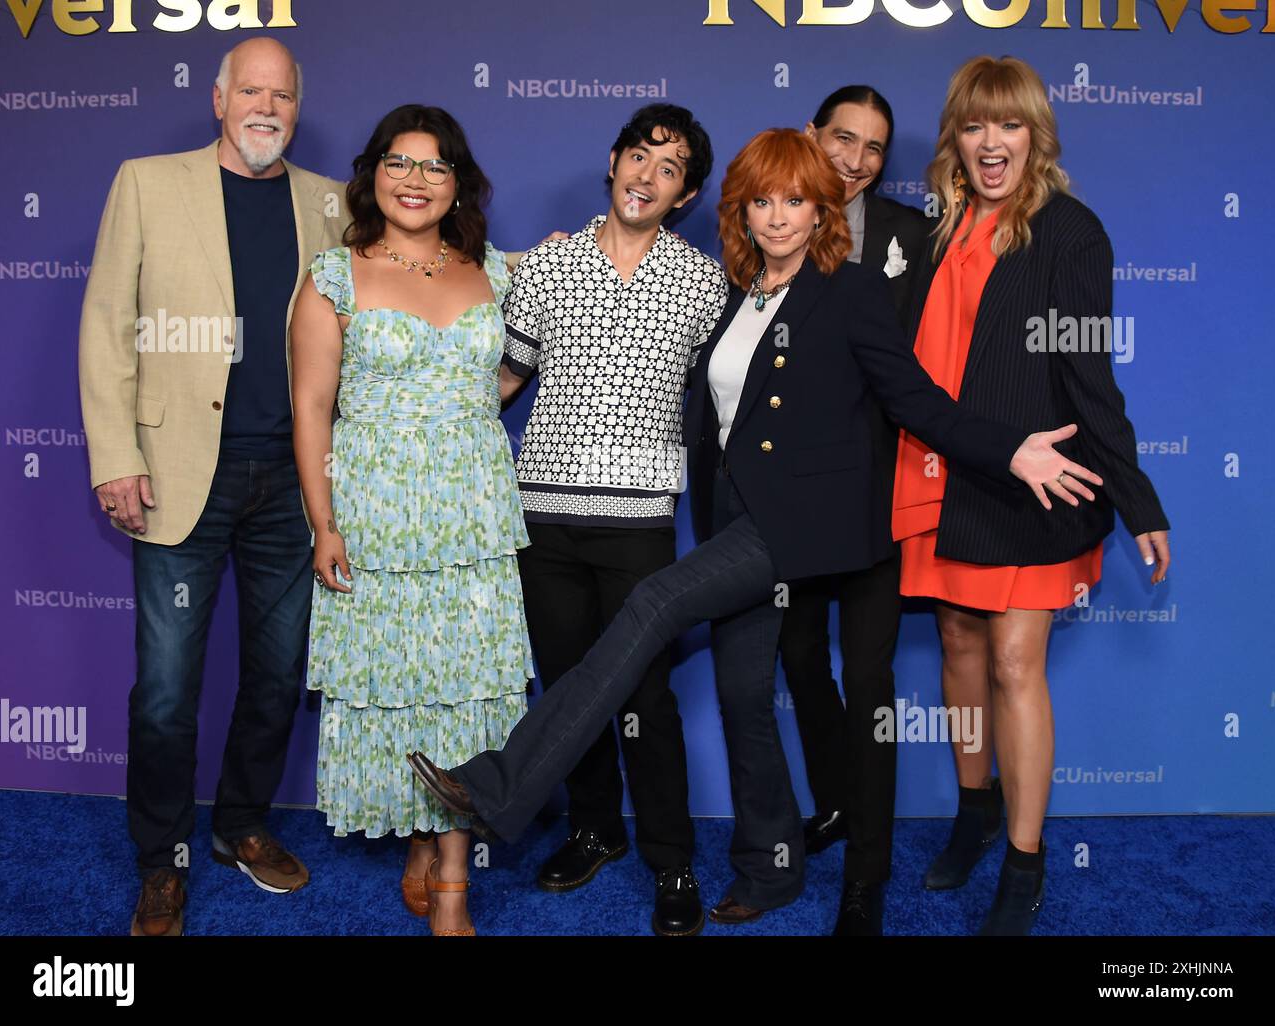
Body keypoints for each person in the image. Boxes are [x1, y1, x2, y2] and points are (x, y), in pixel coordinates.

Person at [410, 127, 1102, 929]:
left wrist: (1009, 449)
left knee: (650, 605)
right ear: (740, 209)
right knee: (743, 692)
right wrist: (538, 262)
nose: (777, 218)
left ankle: (498, 785)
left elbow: (919, 404)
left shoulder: (848, 291)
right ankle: (771, 868)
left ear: (822, 209)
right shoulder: (736, 290)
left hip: (803, 525)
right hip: (738, 513)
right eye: (762, 201)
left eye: (795, 201)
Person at [78, 37, 346, 937]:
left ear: (296, 109)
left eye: (283, 96)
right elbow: (110, 323)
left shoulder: (330, 205)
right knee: (164, 692)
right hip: (176, 474)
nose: (267, 107)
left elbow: (392, 301)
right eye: (252, 91)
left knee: (277, 678)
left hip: (294, 480)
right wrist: (115, 453)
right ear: (219, 99)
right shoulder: (147, 182)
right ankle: (162, 862)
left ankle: (239, 826)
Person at [897, 57, 1171, 935]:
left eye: (1008, 125)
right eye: (975, 125)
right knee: (957, 644)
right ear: (956, 138)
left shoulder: (1070, 232)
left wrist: (1140, 502)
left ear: (1035, 136)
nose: (990, 143)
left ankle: (1025, 856)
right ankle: (974, 814)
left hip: (1032, 484)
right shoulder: (936, 228)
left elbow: (1093, 378)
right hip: (938, 472)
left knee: (1017, 663)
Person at [290, 105, 534, 937]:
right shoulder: (335, 274)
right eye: (400, 162)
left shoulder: (494, 272)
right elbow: (312, 407)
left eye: (435, 166)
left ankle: (455, 883)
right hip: (373, 514)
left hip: (470, 516)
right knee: (397, 689)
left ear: (458, 182)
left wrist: (449, 423)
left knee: (466, 690)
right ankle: (424, 840)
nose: (416, 180)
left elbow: (491, 380)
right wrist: (324, 525)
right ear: (373, 175)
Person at [497, 104, 729, 936]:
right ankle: (593, 829)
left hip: (638, 525)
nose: (647, 175)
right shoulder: (548, 269)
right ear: (613, 160)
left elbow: (732, 396)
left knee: (644, 696)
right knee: (568, 692)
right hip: (545, 519)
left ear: (686, 193)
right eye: (639, 156)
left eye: (667, 169)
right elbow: (505, 380)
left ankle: (671, 861)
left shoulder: (703, 285)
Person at [775, 84, 931, 935]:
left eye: (873, 148)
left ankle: (867, 873)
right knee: (799, 658)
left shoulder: (914, 236)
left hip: (880, 493)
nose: (855, 161)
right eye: (843, 139)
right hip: (791, 498)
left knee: (869, 679)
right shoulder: (770, 222)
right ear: (812, 135)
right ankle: (834, 803)